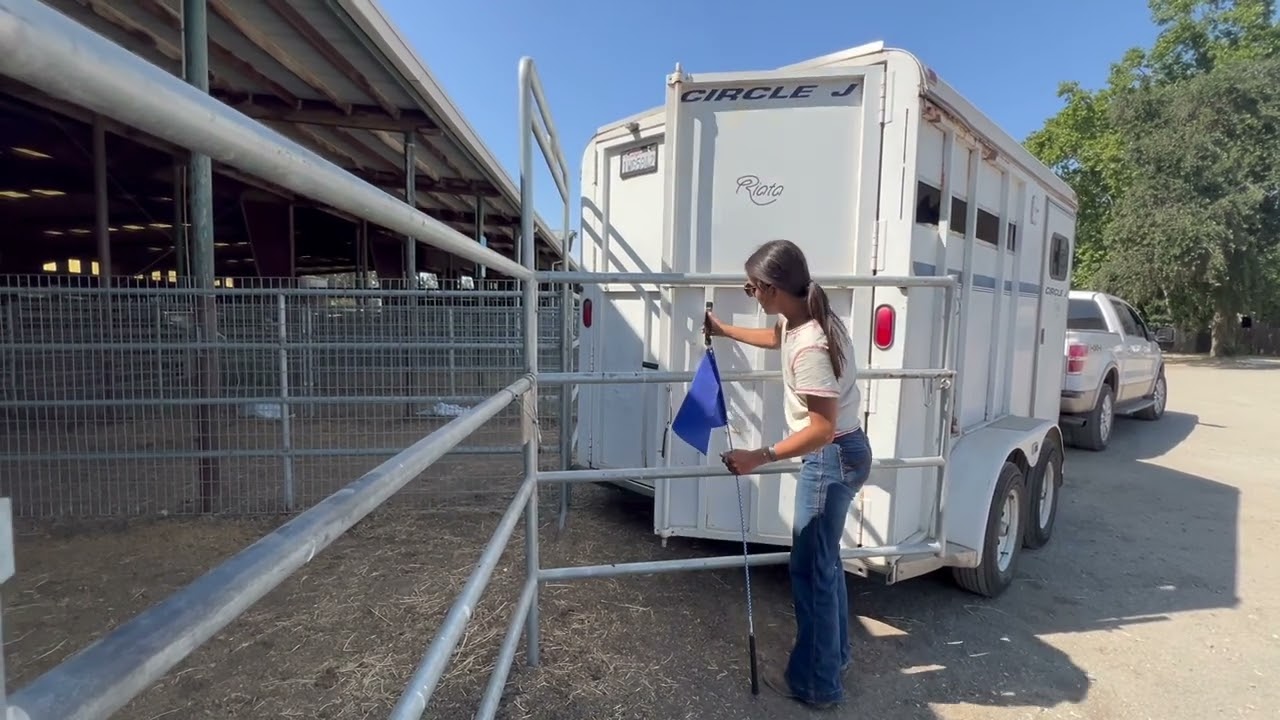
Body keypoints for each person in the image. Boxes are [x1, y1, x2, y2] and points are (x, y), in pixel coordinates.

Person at [707, 238, 872, 709]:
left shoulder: (812, 348)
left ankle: (817, 684)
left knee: (810, 570)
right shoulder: (807, 319)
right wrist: (722, 329)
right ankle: (833, 658)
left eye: (752, 288)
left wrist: (757, 456)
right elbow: (777, 339)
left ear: (772, 289)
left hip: (832, 456)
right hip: (847, 452)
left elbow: (821, 429)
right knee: (824, 564)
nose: (751, 295)